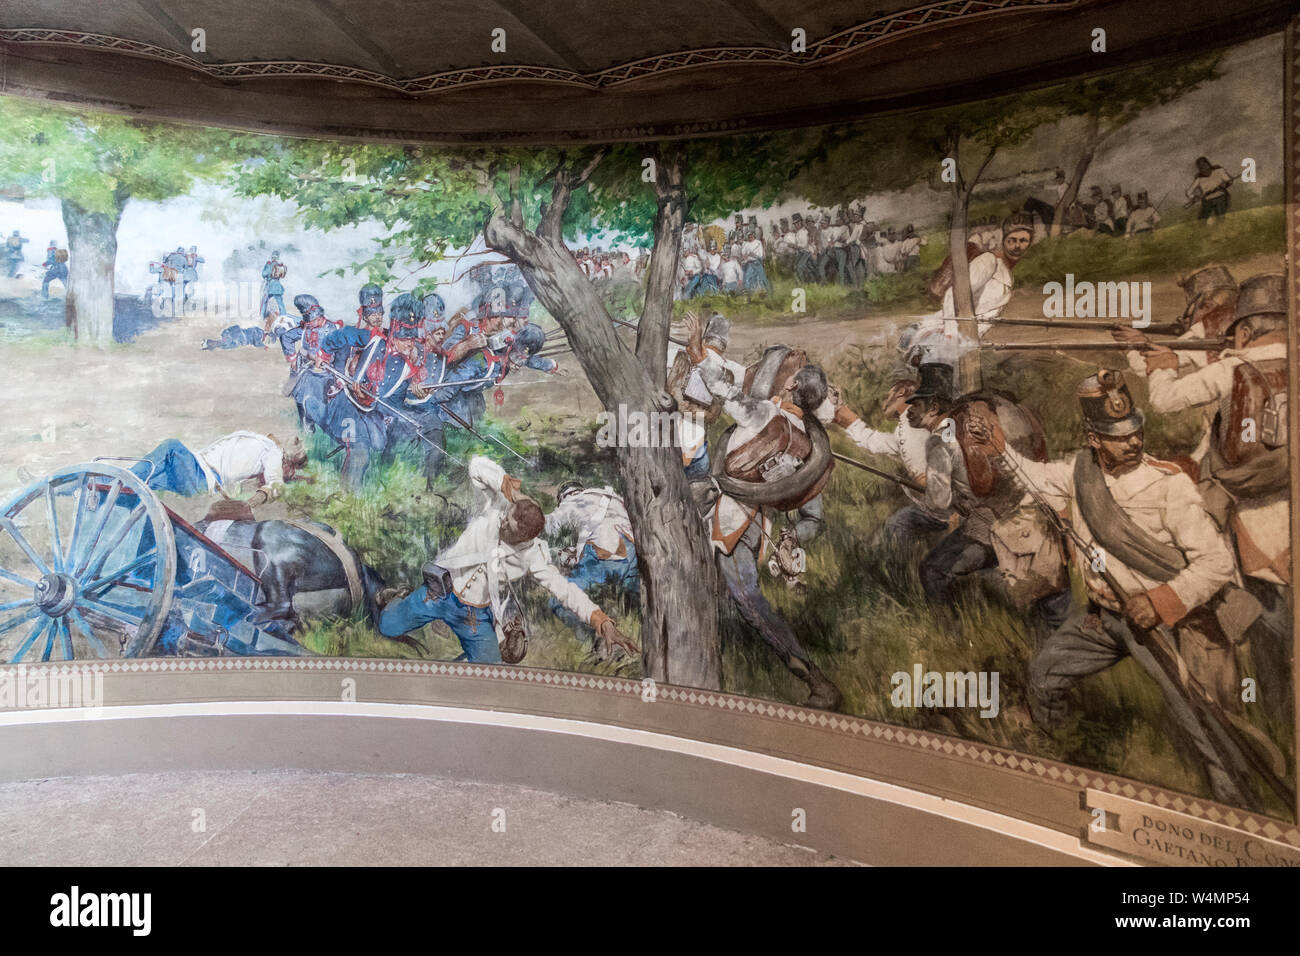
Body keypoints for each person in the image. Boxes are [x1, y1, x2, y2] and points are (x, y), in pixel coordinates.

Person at [968, 372, 1253, 808]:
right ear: (1094, 439)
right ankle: (1057, 752)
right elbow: (1036, 478)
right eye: (1118, 436)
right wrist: (1000, 448)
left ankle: (1234, 808)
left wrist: (1161, 602)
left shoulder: (1169, 485)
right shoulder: (1080, 472)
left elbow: (1216, 564)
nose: (1133, 442)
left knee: (1204, 723)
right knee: (1045, 673)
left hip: (1162, 624)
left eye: (1135, 431)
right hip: (1103, 617)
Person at [694, 343, 843, 710]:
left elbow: (725, 393)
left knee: (750, 602)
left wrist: (700, 358)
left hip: (733, 521)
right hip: (751, 518)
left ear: (788, 387)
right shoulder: (805, 435)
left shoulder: (765, 415)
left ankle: (817, 681)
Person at [378, 456, 638, 663]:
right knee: (387, 626)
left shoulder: (534, 555)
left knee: (490, 674)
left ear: (524, 536)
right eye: (506, 517)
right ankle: (398, 597)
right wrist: (511, 492)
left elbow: (566, 591)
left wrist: (601, 621)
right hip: (438, 591)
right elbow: (477, 465)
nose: (502, 523)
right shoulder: (499, 506)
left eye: (510, 527)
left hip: (473, 615)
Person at [544, 480, 639, 636]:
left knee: (558, 601)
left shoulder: (569, 504)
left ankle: (595, 638)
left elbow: (548, 526)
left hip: (602, 559)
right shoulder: (611, 494)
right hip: (632, 554)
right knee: (634, 602)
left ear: (562, 497)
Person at [132, 431, 307, 504]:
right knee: (148, 484)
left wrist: (259, 497)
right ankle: (124, 493)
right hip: (196, 465)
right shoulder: (264, 443)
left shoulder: (274, 452)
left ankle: (117, 482)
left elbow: (276, 484)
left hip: (202, 477)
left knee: (171, 446)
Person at [1186, 156, 1233, 224]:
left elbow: (1229, 181)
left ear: (1208, 164)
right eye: (1201, 167)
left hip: (1220, 197)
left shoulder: (1219, 171)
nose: (1203, 167)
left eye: (1204, 164)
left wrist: (1225, 185)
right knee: (1201, 221)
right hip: (1207, 200)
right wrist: (1194, 197)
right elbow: (1188, 192)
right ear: (1199, 169)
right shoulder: (1199, 179)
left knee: (1220, 219)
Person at [260, 251, 287, 318]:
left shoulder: (269, 264)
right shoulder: (280, 265)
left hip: (270, 286)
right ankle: (283, 316)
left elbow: (264, 274)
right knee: (280, 303)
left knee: (264, 302)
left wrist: (267, 266)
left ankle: (262, 316)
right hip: (277, 286)